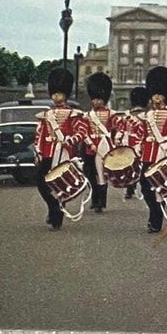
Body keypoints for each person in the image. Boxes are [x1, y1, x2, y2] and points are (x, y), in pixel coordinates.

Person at [133, 66, 167, 233]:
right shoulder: (146, 116)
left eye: (159, 94)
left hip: (162, 153)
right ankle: (155, 209)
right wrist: (137, 146)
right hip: (148, 153)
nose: (156, 97)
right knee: (144, 185)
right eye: (154, 94)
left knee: (159, 186)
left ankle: (155, 219)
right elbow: (139, 134)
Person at [32, 67, 83, 230]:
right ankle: (53, 207)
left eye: (59, 93)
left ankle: (56, 216)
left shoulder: (73, 113)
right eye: (54, 93)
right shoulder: (47, 114)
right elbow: (40, 134)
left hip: (63, 153)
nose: (56, 97)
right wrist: (38, 151)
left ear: (65, 94)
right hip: (48, 152)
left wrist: (69, 140)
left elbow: (81, 132)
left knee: (59, 185)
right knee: (41, 182)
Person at [77, 72, 116, 213]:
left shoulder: (111, 114)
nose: (97, 102)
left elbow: (114, 130)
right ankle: (94, 199)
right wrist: (89, 142)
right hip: (89, 148)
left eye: (99, 99)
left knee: (102, 175)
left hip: (104, 147)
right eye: (94, 99)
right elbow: (84, 131)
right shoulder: (87, 116)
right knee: (91, 174)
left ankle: (101, 201)